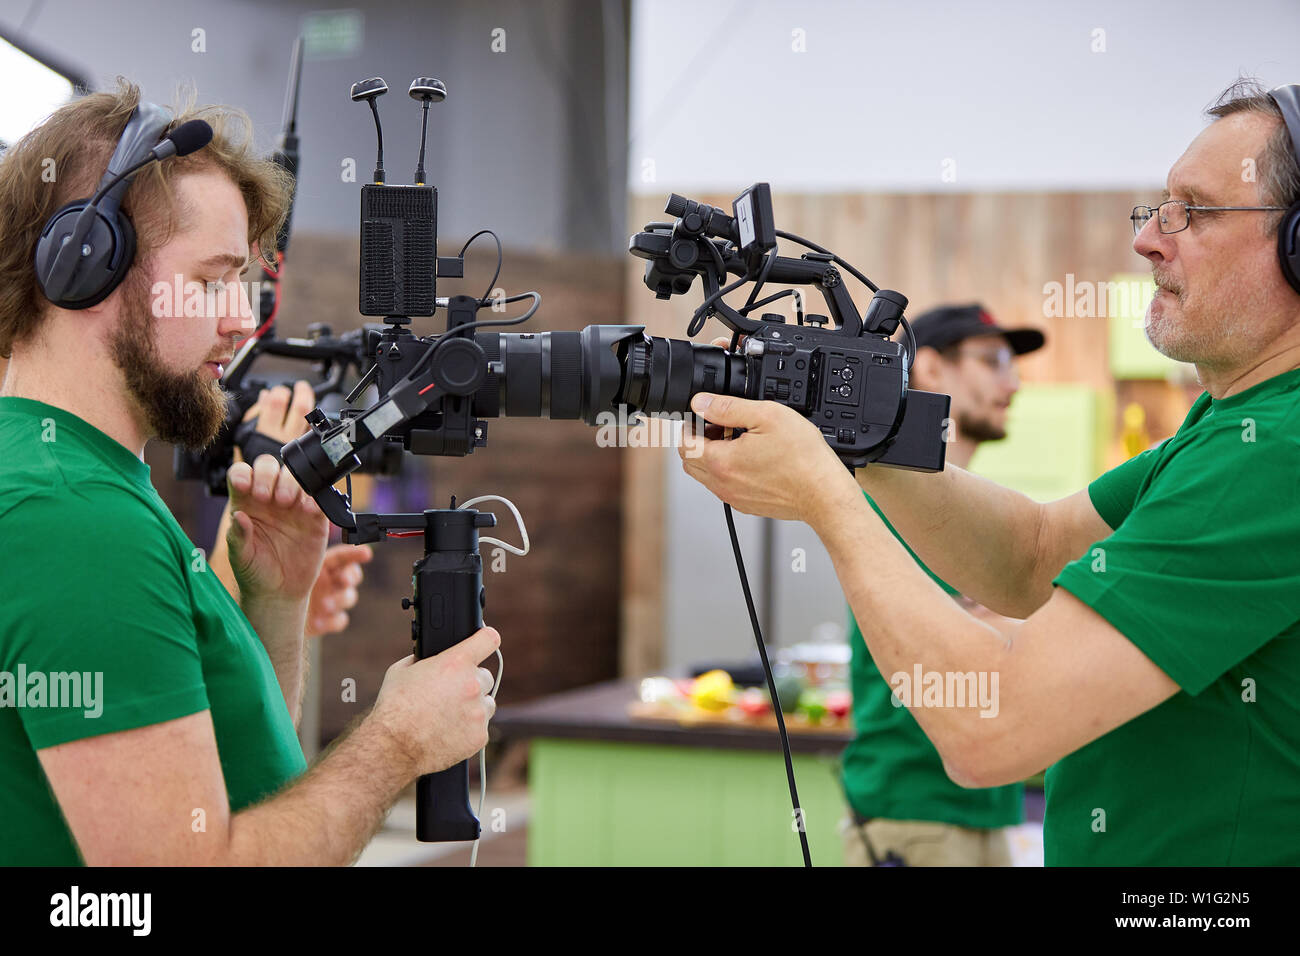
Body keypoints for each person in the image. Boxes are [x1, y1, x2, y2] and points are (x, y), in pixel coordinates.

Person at [680, 78, 1300, 865]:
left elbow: (993, 727)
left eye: (1197, 211)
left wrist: (827, 499)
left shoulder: (1274, 451)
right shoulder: (1223, 427)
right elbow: (1034, 551)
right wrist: (847, 437)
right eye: (1158, 208)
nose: (1149, 239)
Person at [0, 81, 498, 865]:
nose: (241, 320)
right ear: (82, 268)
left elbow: (229, 775)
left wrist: (273, 599)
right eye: (209, 281)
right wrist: (398, 742)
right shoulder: (74, 517)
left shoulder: (82, 479)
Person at [840, 304, 1043, 867]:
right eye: (994, 360)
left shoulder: (970, 508)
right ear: (929, 368)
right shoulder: (901, 499)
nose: (1014, 382)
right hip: (916, 818)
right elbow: (984, 646)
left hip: (985, 810)